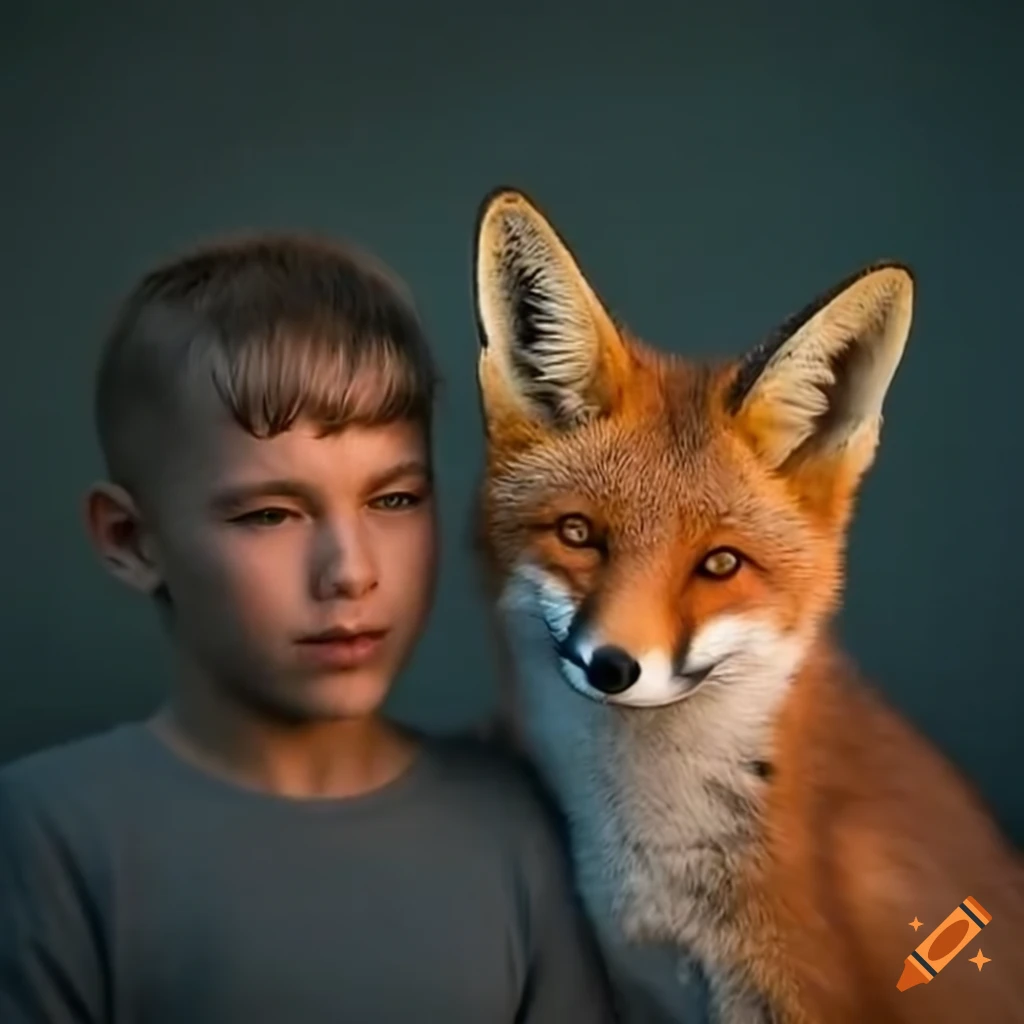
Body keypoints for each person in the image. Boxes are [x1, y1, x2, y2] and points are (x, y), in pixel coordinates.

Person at [0, 234, 618, 1023]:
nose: (351, 571)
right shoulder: (46, 837)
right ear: (130, 540)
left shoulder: (523, 825)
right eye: (270, 514)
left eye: (394, 500)